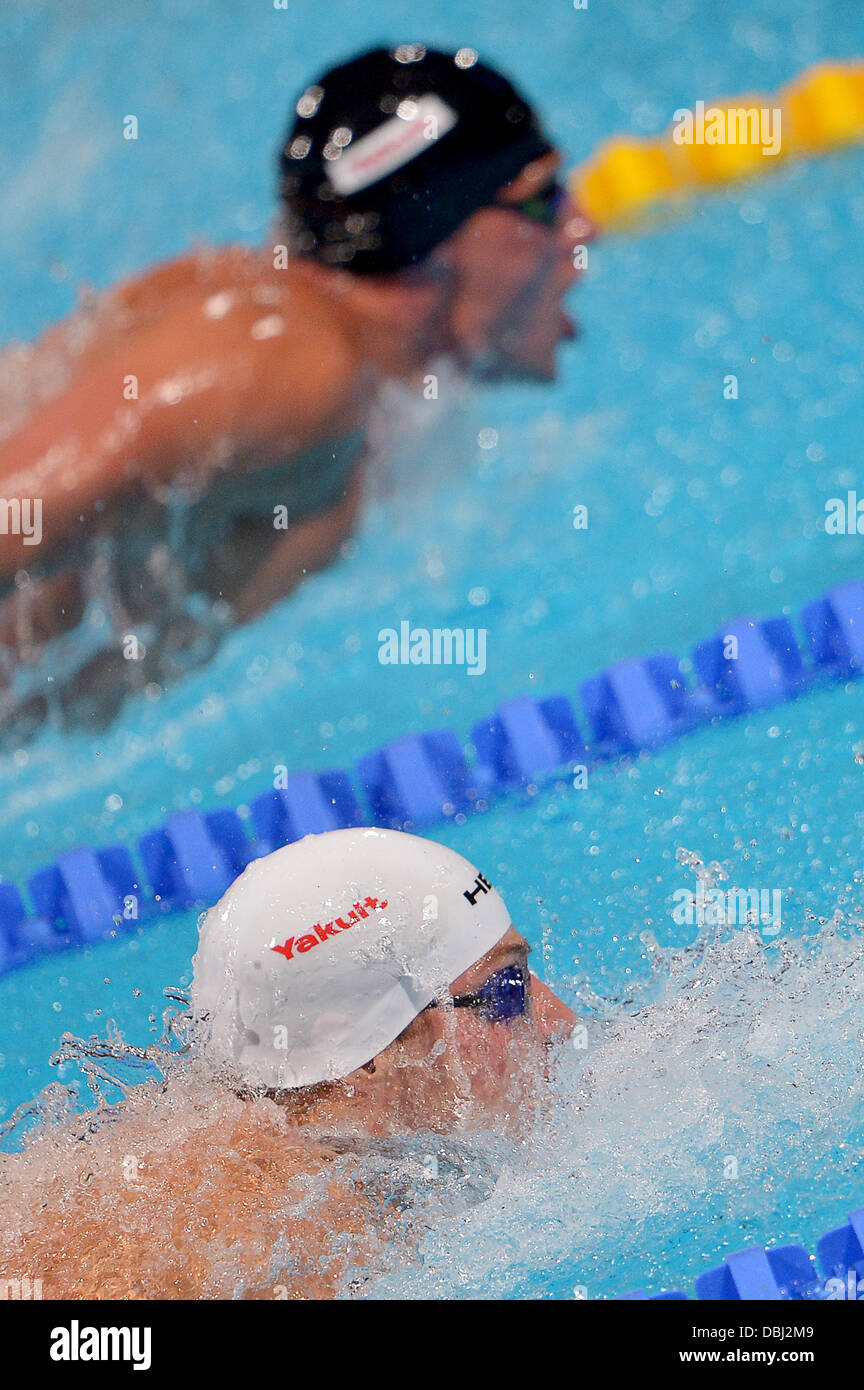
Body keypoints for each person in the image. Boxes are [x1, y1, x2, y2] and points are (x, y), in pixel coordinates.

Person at [0, 44, 592, 729]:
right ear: (437, 229)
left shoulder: (294, 332)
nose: (584, 227)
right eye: (544, 202)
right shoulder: (288, 362)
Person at [2, 828, 576, 1298]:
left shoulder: (188, 1156)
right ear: (371, 1054)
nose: (561, 1020)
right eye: (508, 991)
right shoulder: (297, 1241)